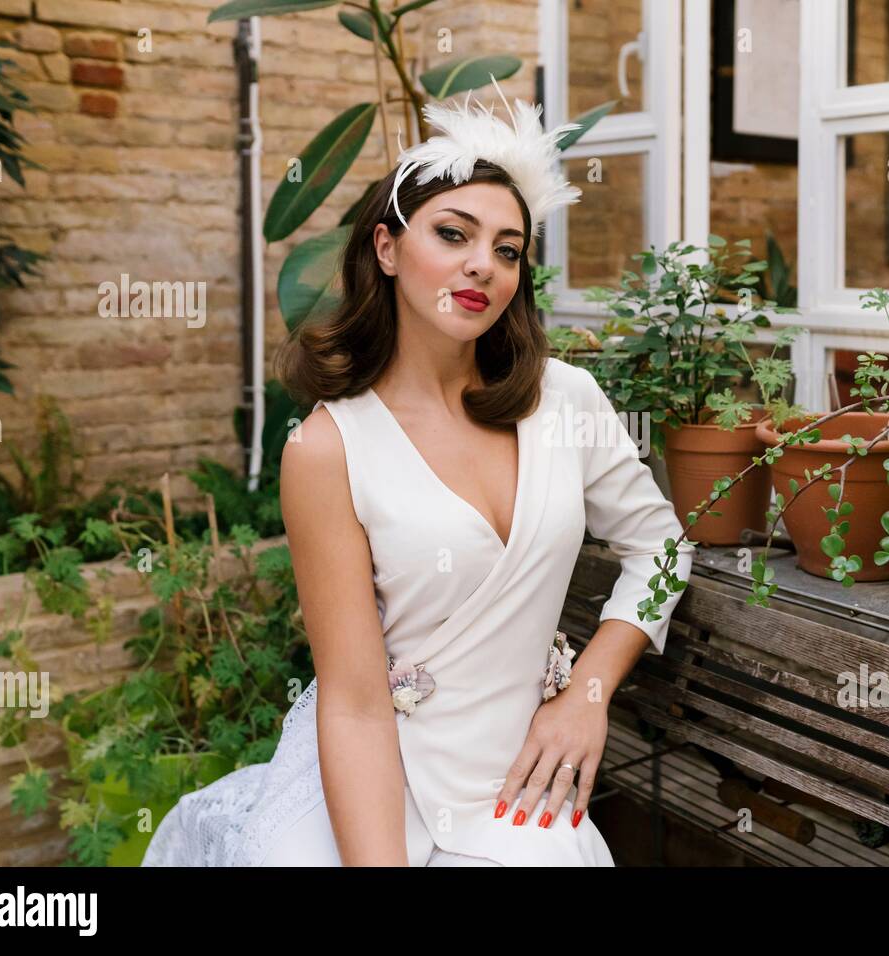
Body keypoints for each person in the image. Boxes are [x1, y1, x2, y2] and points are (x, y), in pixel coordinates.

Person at [141, 80, 693, 867]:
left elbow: (661, 546)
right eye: (453, 233)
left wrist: (588, 694)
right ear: (388, 247)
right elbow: (358, 707)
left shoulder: (565, 400)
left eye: (507, 250)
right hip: (376, 786)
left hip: (518, 785)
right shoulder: (327, 449)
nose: (483, 266)